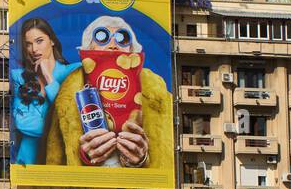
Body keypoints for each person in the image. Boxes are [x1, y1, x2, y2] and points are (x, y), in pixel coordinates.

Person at [43, 16, 174, 169]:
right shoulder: (67, 96)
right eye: (102, 38)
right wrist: (84, 156)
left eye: (122, 39)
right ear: (87, 50)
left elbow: (168, 157)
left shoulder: (158, 95)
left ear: (132, 52)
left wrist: (141, 159)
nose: (112, 46)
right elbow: (55, 159)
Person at [11, 18, 78, 165]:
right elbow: (21, 122)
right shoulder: (18, 77)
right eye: (28, 44)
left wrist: (49, 79)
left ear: (52, 40)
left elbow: (73, 114)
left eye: (39, 41)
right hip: (28, 167)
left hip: (62, 166)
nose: (34, 49)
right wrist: (60, 127)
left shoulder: (73, 71)